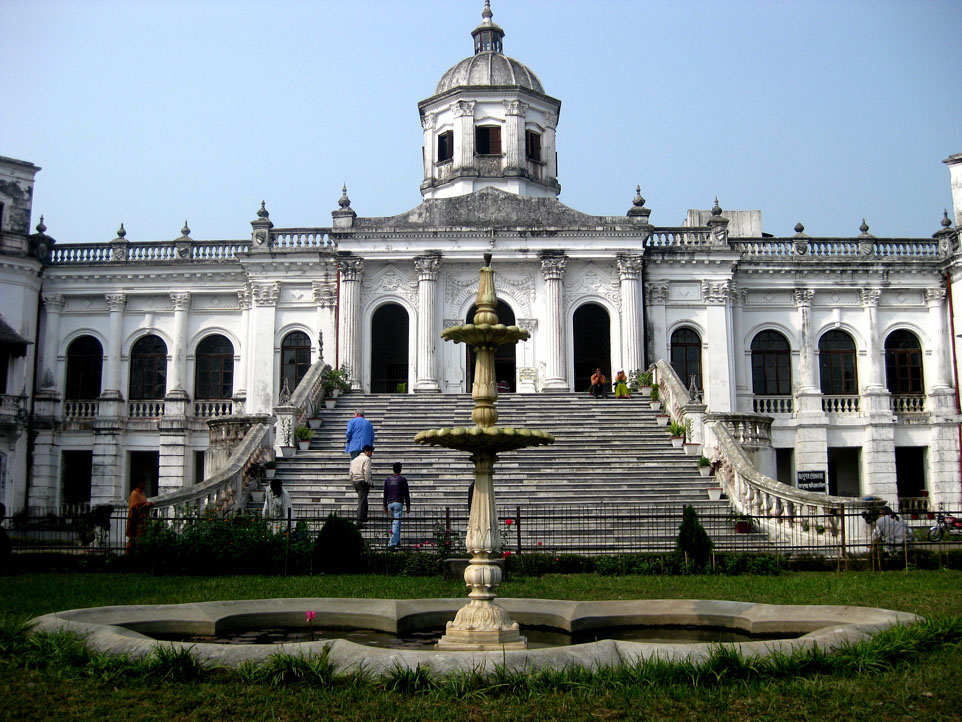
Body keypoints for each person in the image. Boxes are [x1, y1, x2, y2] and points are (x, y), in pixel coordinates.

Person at [382, 462, 411, 549]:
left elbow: (385, 494)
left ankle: (396, 540)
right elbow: (406, 493)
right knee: (397, 522)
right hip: (398, 502)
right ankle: (392, 543)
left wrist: (385, 506)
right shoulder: (402, 480)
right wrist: (408, 505)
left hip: (390, 502)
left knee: (394, 522)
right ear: (400, 469)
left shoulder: (388, 480)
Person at [125, 479, 154, 553]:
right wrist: (146, 505)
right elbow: (134, 507)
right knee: (135, 538)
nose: (145, 485)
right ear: (138, 483)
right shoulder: (135, 493)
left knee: (142, 537)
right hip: (136, 520)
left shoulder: (141, 493)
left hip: (143, 520)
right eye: (143, 483)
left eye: (145, 483)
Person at [349, 445, 374, 527]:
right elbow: (367, 472)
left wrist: (351, 481)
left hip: (355, 481)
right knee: (361, 501)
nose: (371, 454)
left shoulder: (354, 459)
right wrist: (369, 482)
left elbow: (350, 471)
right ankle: (359, 522)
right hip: (362, 481)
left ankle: (364, 516)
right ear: (366, 451)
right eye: (370, 452)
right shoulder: (367, 459)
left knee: (363, 499)